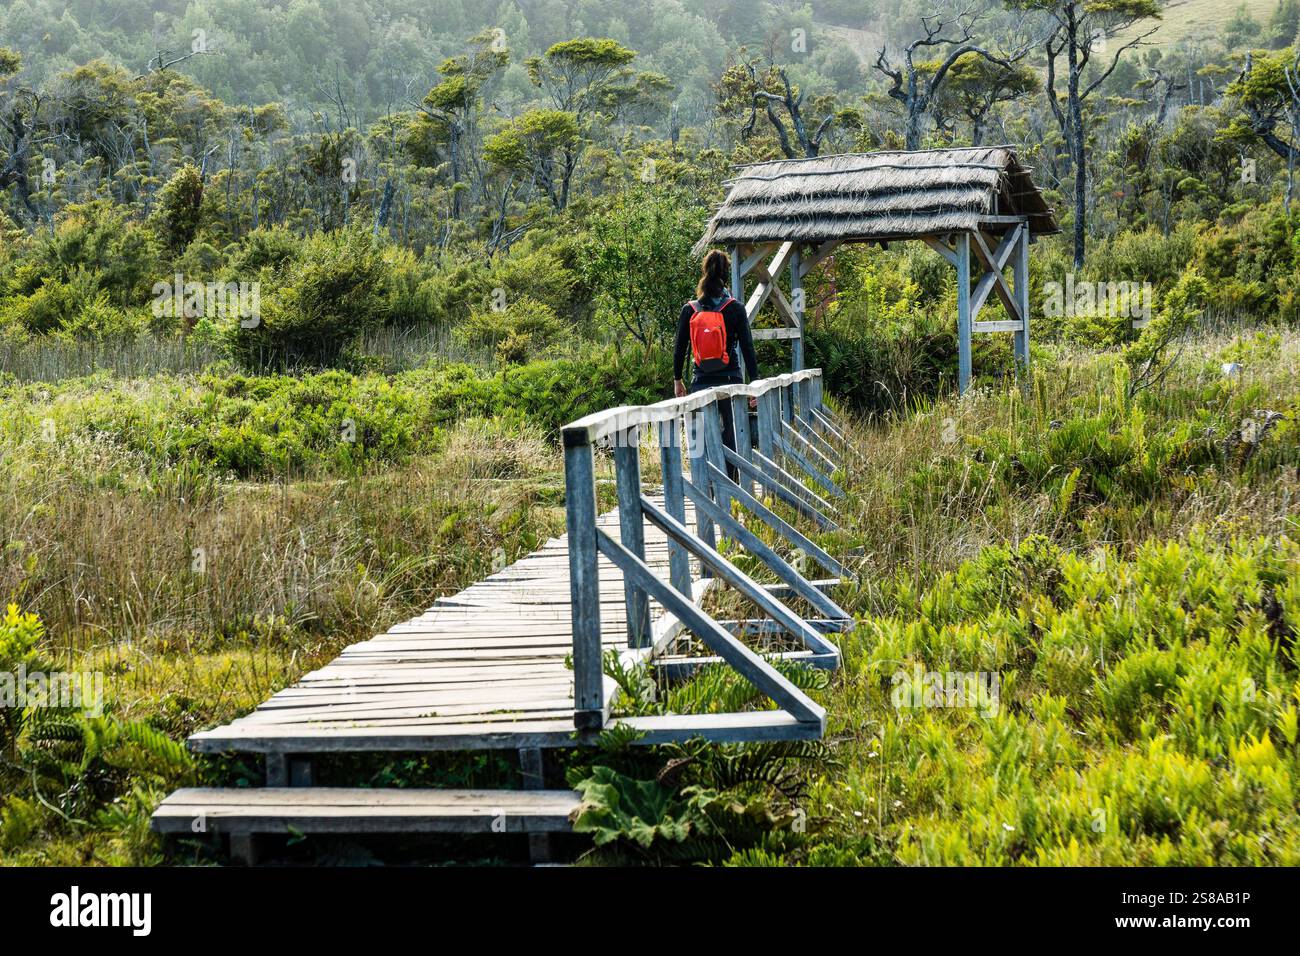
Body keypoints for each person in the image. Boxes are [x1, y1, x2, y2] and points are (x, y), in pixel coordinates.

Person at [672, 250, 759, 475]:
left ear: (705, 271)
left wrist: (677, 380)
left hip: (701, 380)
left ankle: (704, 482)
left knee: (698, 437)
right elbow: (748, 349)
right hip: (731, 380)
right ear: (726, 273)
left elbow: (680, 348)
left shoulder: (690, 309)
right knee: (731, 434)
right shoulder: (735, 308)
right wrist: (755, 386)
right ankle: (732, 484)